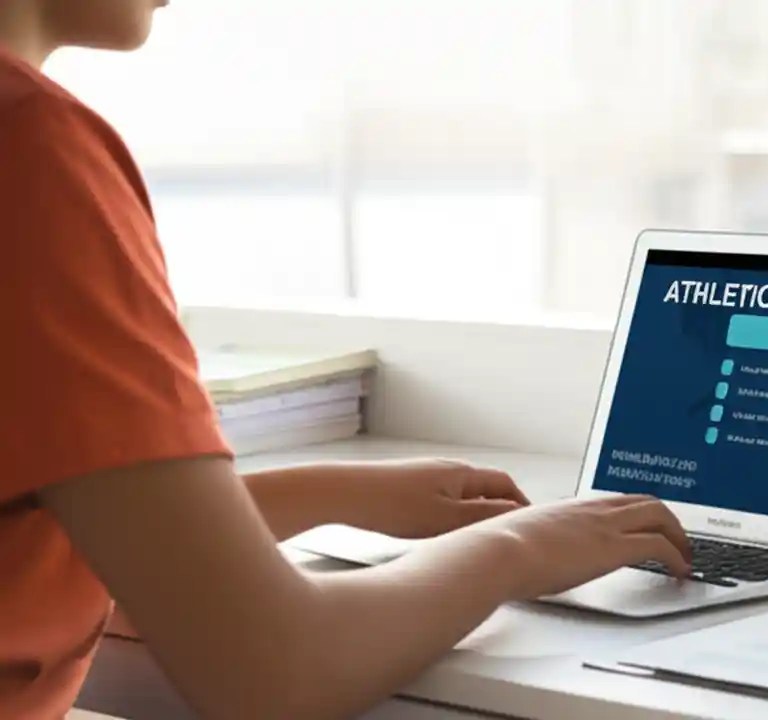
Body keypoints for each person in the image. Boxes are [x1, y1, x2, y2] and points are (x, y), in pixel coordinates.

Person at [0, 2, 692, 718]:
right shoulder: (32, 151)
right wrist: (519, 545)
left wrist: (340, 493)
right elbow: (275, 667)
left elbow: (95, 538)